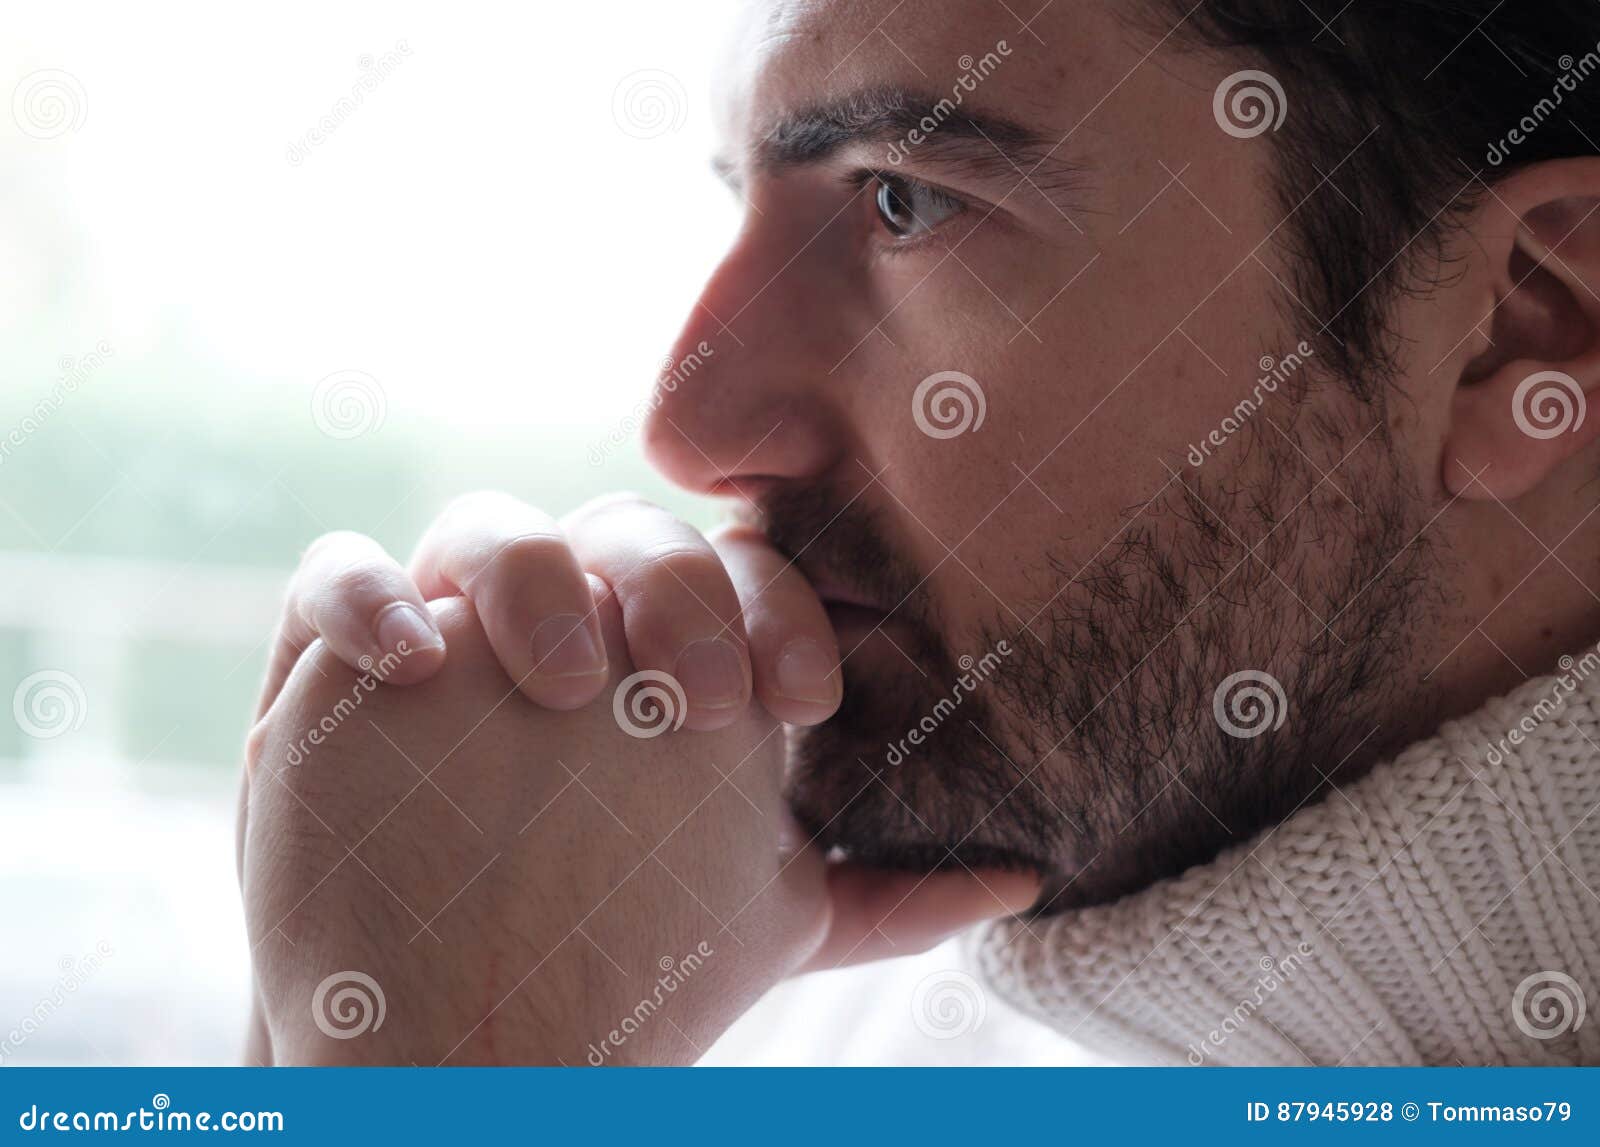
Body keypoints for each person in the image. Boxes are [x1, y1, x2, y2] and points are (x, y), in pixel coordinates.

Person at [238, 0, 1600, 1065]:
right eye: (746, 209)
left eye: (907, 199)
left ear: (1526, 331)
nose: (690, 430)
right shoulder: (740, 1016)